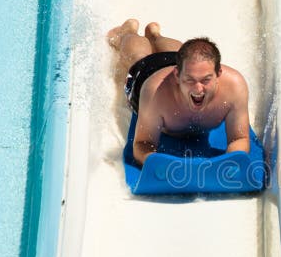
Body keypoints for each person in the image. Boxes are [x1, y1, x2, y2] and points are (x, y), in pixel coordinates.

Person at [107, 19, 250, 165]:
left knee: (175, 53)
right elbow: (143, 143)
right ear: (177, 75)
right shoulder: (155, 93)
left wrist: (231, 161)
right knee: (138, 57)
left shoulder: (234, 87)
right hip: (147, 72)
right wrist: (155, 163)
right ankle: (127, 33)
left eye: (206, 80)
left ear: (218, 73)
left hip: (180, 63)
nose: (198, 89)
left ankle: (155, 35)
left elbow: (239, 138)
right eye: (190, 80)